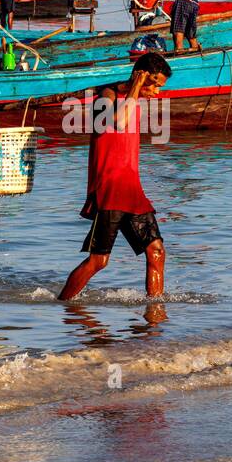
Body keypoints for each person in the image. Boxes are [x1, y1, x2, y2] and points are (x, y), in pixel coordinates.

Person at [58, 52, 172, 301]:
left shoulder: (133, 100)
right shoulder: (105, 97)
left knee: (156, 251)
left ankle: (155, 311)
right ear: (141, 77)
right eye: (155, 85)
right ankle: (63, 305)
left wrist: (136, 90)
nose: (157, 93)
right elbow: (119, 122)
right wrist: (136, 87)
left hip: (132, 189)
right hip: (109, 188)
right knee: (99, 261)